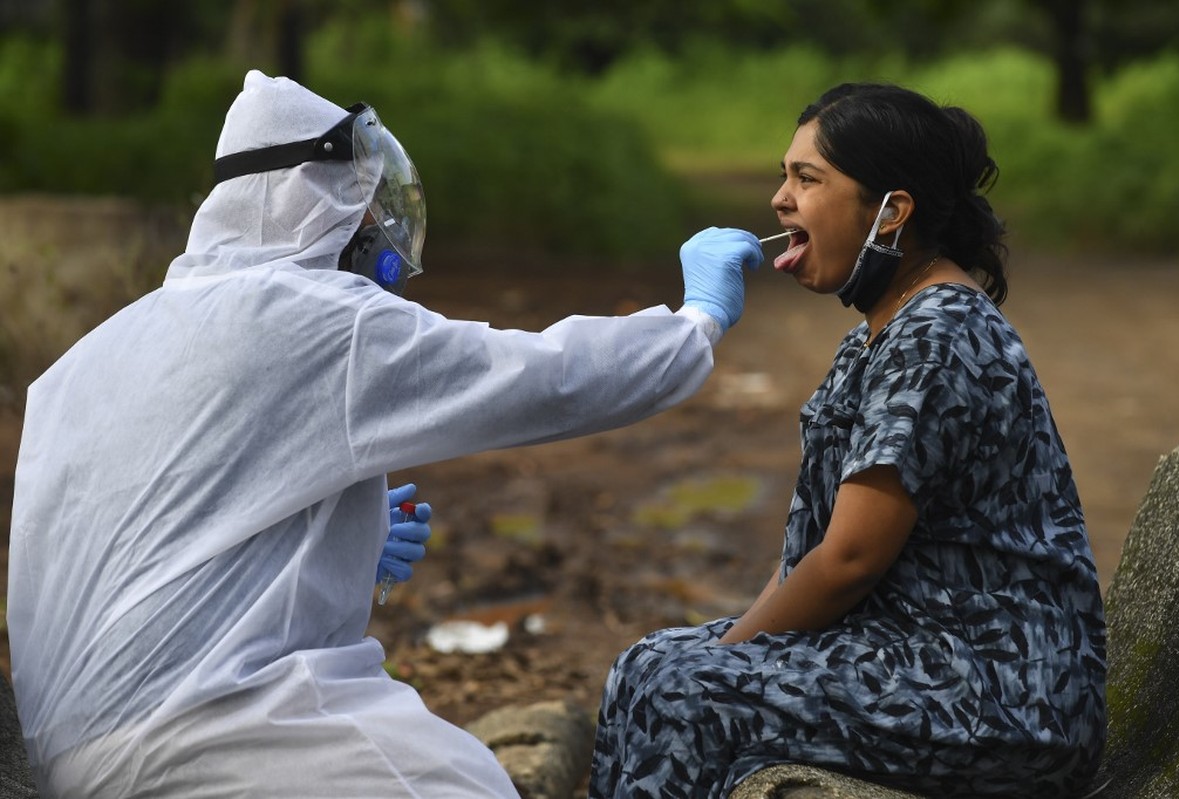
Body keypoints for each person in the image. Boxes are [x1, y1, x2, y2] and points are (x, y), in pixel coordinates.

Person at [6, 70, 763, 798]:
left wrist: (349, 547)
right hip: (205, 723)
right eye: (364, 210)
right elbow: (544, 376)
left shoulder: (95, 354)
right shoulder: (315, 317)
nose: (377, 233)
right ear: (311, 196)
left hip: (65, 742)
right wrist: (694, 322)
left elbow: (153, 529)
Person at [589, 82, 1107, 798]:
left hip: (1000, 689)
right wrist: (726, 649)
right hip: (905, 656)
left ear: (891, 212)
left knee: (681, 690)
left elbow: (851, 558)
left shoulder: (938, 334)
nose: (779, 198)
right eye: (784, 174)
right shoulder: (878, 332)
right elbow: (809, 554)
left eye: (807, 178)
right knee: (643, 665)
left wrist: (728, 656)